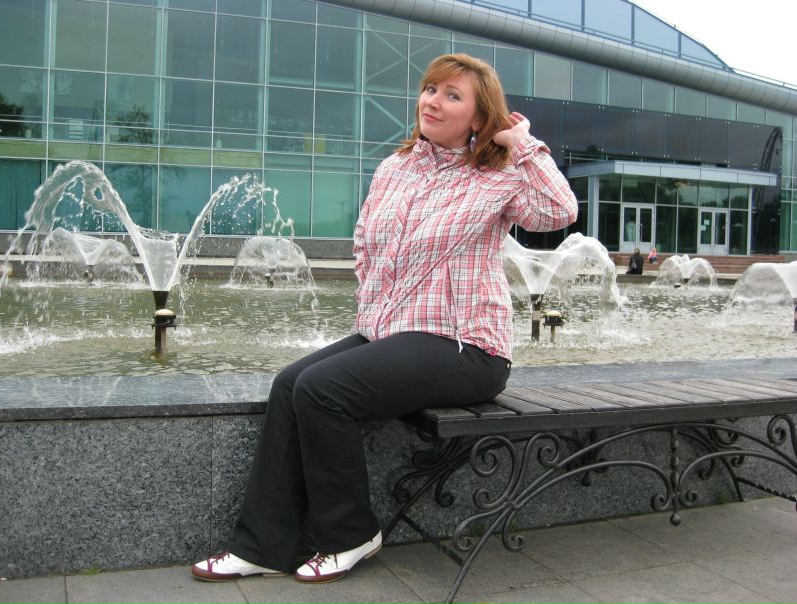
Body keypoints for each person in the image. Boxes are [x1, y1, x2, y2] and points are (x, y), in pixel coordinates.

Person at [192, 53, 578, 585]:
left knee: (323, 390)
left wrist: (522, 143)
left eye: (453, 95)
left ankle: (349, 534)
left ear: (479, 116)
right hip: (393, 333)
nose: (433, 101)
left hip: (466, 345)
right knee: (289, 384)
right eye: (431, 89)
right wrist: (373, 320)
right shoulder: (396, 168)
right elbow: (367, 248)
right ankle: (259, 547)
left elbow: (559, 211)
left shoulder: (499, 173)